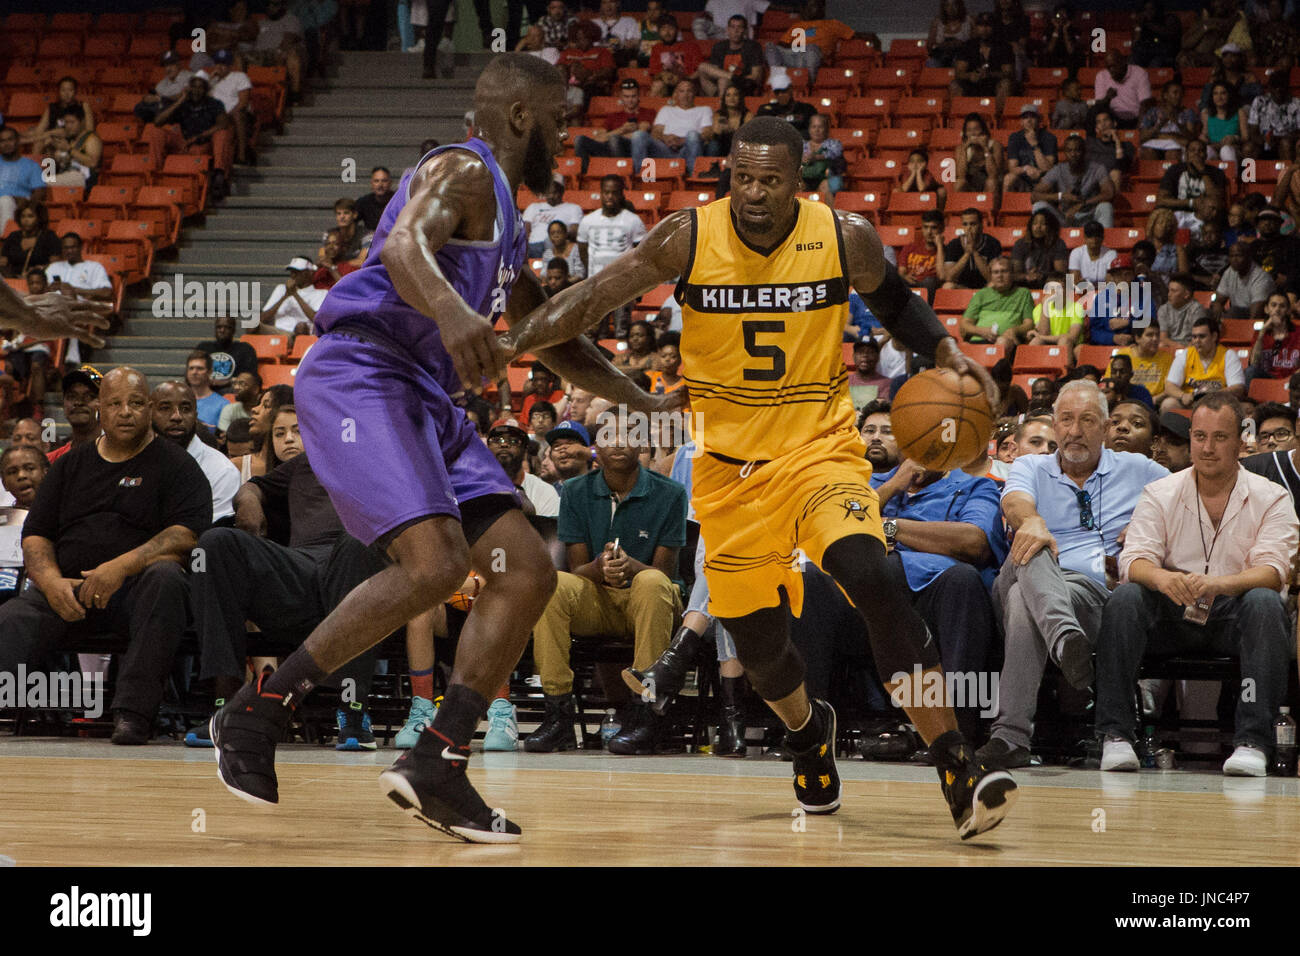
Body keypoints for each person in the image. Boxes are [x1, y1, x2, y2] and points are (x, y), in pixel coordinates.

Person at [502, 115, 1020, 839]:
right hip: (728, 471)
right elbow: (589, 302)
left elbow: (897, 300)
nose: (751, 192)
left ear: (798, 180)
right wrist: (513, 339)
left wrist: (944, 351)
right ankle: (810, 736)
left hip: (819, 451)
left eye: (769, 180)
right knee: (763, 650)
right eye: (741, 176)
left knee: (871, 574)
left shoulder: (844, 237)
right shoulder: (687, 236)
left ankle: (955, 762)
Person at [210, 55, 680, 842]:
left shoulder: (508, 220)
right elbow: (401, 249)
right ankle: (260, 711)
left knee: (525, 570)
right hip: (362, 369)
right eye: (559, 120)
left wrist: (637, 393)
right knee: (434, 565)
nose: (565, 139)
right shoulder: (462, 169)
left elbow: (551, 332)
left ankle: (440, 757)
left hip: (422, 394)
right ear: (524, 115)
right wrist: (457, 318)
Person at [0, 367, 211, 745]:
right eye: (114, 403)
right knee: (15, 614)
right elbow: (36, 534)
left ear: (148, 408)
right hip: (70, 590)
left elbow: (186, 535)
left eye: (134, 403)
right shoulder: (71, 465)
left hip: (137, 594)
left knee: (166, 579)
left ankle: (133, 715)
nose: (125, 412)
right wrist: (50, 583)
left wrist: (119, 567)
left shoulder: (176, 465)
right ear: (101, 409)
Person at [1096, 394, 1297, 776]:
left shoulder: (1271, 497)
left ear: (1241, 440)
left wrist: (1217, 584)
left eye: (1220, 437)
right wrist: (1164, 578)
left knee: (1265, 603)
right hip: (1172, 609)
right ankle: (1116, 736)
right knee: (1125, 599)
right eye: (1199, 436)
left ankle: (1253, 742)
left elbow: (1274, 572)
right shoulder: (1161, 492)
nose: (1207, 448)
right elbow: (1133, 560)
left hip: (1232, 615)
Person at [978, 381, 1170, 769]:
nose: (1074, 431)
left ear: (1104, 427)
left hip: (1094, 597)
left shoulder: (1140, 469)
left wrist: (1150, 525)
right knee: (1032, 545)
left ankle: (1011, 737)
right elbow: (1015, 502)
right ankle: (1065, 638)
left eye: (1086, 420)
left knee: (1023, 600)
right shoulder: (1031, 466)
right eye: (1065, 420)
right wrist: (1031, 522)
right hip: (1030, 568)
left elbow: (1189, 502)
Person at [525, 424, 687, 753]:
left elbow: (664, 573)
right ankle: (558, 716)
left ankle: (647, 713)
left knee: (652, 582)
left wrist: (631, 567)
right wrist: (601, 567)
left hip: (650, 602)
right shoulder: (574, 491)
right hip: (597, 601)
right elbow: (577, 569)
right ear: (597, 446)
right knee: (553, 585)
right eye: (608, 436)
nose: (617, 444)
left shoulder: (670, 493)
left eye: (628, 435)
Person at [871, 454, 1007, 739]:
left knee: (963, 579)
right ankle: (810, 728)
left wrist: (889, 526)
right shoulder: (871, 483)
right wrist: (893, 485)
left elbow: (972, 541)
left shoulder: (974, 486)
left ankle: (955, 731)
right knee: (813, 582)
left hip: (940, 589)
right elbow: (843, 525)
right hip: (874, 587)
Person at [151, 381, 242, 523]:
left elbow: (208, 536)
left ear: (195, 415)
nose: (177, 416)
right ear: (149, 413)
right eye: (165, 408)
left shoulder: (221, 471)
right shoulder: (133, 460)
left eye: (186, 409)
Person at [143, 75, 235, 203]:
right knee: (155, 131)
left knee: (223, 134)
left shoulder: (214, 103)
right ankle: (155, 173)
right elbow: (158, 122)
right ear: (188, 88)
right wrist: (180, 101)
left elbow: (223, 124)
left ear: (206, 90)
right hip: (184, 142)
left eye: (200, 88)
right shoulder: (183, 103)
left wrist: (199, 137)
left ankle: (219, 175)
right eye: (193, 87)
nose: (196, 91)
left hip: (204, 143)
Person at [1158, 315, 1246, 413]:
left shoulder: (1228, 355)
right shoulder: (1186, 354)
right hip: (1191, 403)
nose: (1197, 341)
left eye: (1202, 336)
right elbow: (1169, 386)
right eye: (1194, 337)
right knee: (1168, 404)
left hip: (1218, 403)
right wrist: (1182, 395)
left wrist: (1211, 395)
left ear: (1214, 336)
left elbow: (1238, 388)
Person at [1033, 134, 1115, 229]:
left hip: (1090, 218)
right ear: (1065, 153)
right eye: (1069, 151)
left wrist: (1083, 204)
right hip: (1066, 217)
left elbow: (1109, 193)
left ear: (1084, 152)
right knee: (1039, 205)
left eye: (1077, 150)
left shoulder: (1097, 168)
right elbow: (1034, 196)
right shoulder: (1058, 170)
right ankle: (1047, 242)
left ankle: (1105, 241)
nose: (1073, 154)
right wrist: (1060, 196)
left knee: (1106, 206)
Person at [572, 79, 655, 173]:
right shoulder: (613, 116)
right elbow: (598, 138)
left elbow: (642, 136)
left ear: (639, 96)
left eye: (633, 96)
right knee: (579, 139)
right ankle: (585, 175)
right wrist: (622, 130)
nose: (630, 100)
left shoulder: (648, 113)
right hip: (610, 151)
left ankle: (623, 173)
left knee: (614, 139)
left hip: (632, 151)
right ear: (621, 97)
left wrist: (614, 136)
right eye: (626, 97)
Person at [764, 0, 855, 83]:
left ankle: (809, 81)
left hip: (814, 57)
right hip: (794, 56)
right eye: (807, 6)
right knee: (770, 47)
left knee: (811, 48)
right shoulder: (797, 25)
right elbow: (782, 45)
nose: (809, 9)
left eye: (813, 6)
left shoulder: (833, 24)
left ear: (822, 8)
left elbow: (854, 35)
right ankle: (776, 78)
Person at [636, 79, 713, 174]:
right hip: (665, 148)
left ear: (694, 93)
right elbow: (656, 132)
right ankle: (638, 176)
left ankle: (695, 176)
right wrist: (666, 138)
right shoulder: (666, 110)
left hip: (687, 148)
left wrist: (682, 140)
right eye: (682, 91)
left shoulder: (704, 110)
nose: (685, 95)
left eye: (689, 91)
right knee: (639, 135)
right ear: (676, 93)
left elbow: (707, 133)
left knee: (692, 135)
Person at [960, 256, 1034, 351]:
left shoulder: (1023, 293)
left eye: (1004, 271)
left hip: (1006, 341)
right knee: (961, 347)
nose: (1000, 275)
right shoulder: (981, 294)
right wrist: (982, 331)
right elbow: (965, 324)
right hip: (978, 340)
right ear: (991, 276)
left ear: (1012, 274)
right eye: (996, 272)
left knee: (1002, 342)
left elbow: (1029, 323)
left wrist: (1014, 330)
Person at [949, 12, 1015, 113]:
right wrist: (970, 75)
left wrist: (989, 74)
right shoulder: (968, 46)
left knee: (1005, 84)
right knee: (955, 85)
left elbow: (1009, 73)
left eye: (988, 25)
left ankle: (997, 120)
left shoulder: (1004, 47)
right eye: (981, 25)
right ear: (976, 27)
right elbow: (959, 73)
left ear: (994, 27)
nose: (984, 29)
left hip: (993, 83)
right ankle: (960, 119)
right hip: (973, 84)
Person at [258, 256, 329, 336]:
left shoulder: (321, 293)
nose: (293, 275)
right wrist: (285, 296)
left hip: (303, 334)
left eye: (297, 272)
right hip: (279, 332)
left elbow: (316, 319)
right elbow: (262, 319)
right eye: (291, 272)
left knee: (301, 327)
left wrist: (295, 294)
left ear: (310, 273)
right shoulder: (281, 289)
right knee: (252, 325)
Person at [47, 365, 102, 463]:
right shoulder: (53, 461)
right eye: (71, 396)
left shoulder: (119, 455)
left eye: (89, 396)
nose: (78, 402)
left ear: (104, 403)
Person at [699, 14, 765, 96]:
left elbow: (756, 77)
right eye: (732, 27)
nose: (736, 31)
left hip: (744, 86)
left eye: (739, 27)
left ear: (744, 30)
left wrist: (740, 80)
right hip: (722, 85)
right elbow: (714, 73)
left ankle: (721, 106)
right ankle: (731, 80)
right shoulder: (719, 47)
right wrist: (731, 78)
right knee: (702, 67)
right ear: (727, 30)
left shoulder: (753, 46)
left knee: (723, 81)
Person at [942, 207, 1001, 289]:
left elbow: (991, 277)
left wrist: (974, 252)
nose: (969, 228)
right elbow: (949, 277)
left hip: (984, 287)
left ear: (981, 225)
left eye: (973, 224)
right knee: (948, 286)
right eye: (965, 224)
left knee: (994, 284)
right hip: (962, 287)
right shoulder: (954, 244)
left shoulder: (992, 243)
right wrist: (967, 253)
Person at [1247, 291, 1300, 384]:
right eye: (1273, 305)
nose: (1277, 309)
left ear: (1288, 311)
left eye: (1282, 306)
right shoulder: (1260, 334)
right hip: (1267, 379)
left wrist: (1291, 380)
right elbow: (1254, 363)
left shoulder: (1298, 332)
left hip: (1292, 380)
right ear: (1266, 309)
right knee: (1250, 371)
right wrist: (1262, 333)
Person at [1212, 241, 1275, 320]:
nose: (1234, 259)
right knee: (1207, 313)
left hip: (1257, 318)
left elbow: (1256, 315)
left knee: (1233, 312)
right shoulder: (1230, 272)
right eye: (1231, 256)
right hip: (1236, 313)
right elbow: (1218, 299)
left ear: (1249, 257)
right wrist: (1217, 305)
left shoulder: (1261, 277)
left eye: (1239, 255)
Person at [521, 178, 583, 257]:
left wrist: (556, 237)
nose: (551, 196)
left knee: (549, 242)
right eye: (548, 193)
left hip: (558, 246)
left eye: (554, 193)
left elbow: (574, 231)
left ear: (562, 192)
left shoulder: (573, 208)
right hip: (534, 246)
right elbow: (524, 230)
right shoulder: (533, 207)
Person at [1004, 104, 1057, 194]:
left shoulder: (1049, 138)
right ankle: (1008, 206)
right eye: (1025, 118)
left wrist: (1034, 145)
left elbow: (1048, 168)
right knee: (1009, 178)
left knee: (1047, 181)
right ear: (1021, 122)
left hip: (1043, 178)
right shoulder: (1015, 137)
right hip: (1023, 179)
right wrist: (1026, 168)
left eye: (1032, 117)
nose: (1029, 120)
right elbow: (1012, 168)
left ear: (1039, 120)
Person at [0, 199, 60, 279]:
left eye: (30, 216)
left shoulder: (49, 236)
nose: (26, 220)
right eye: (23, 216)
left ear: (39, 218)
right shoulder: (13, 236)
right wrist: (13, 279)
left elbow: (55, 264)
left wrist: (40, 269)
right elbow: (3, 263)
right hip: (13, 280)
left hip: (39, 280)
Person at [197, 316, 259, 391]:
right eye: (219, 327)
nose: (222, 330)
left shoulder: (244, 350)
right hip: (205, 389)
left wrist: (225, 382)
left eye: (227, 327)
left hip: (232, 390)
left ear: (233, 330)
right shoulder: (203, 348)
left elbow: (250, 378)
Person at [1094, 49, 1151, 129]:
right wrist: (1107, 98)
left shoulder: (1139, 73)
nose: (1111, 70)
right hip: (1113, 119)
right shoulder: (1102, 76)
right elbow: (1098, 106)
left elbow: (1145, 103)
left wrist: (1139, 127)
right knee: (1093, 111)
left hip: (1136, 117)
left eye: (1114, 66)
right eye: (1108, 67)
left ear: (1123, 62)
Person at [1011, 211, 1068, 288]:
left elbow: (1060, 273)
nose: (1038, 226)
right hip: (1024, 285)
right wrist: (1026, 276)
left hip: (1049, 285)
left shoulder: (1058, 244)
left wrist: (1041, 275)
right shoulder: (1020, 244)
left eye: (1043, 224)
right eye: (1034, 223)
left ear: (1050, 227)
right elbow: (1015, 273)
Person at [898, 209, 945, 302]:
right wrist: (905, 276)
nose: (929, 232)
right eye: (925, 227)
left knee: (929, 282)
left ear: (942, 229)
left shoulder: (945, 251)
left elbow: (941, 276)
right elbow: (901, 271)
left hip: (929, 287)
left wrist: (939, 246)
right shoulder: (910, 247)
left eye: (934, 228)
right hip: (910, 284)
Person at [954, 112, 1005, 195]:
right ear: (965, 133)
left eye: (976, 129)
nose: (973, 133)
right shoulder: (961, 148)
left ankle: (989, 207)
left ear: (983, 131)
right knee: (959, 183)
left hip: (990, 184)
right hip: (971, 185)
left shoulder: (995, 145)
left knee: (991, 182)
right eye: (969, 130)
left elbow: (993, 174)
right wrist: (964, 150)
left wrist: (985, 148)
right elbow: (960, 175)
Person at [1201, 82, 1249, 165]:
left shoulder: (1239, 112)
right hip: (1214, 147)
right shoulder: (1206, 114)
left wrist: (1235, 138)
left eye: (1223, 93)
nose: (1219, 97)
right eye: (1215, 93)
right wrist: (1203, 138)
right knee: (1207, 150)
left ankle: (1232, 177)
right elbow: (1205, 134)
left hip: (1232, 148)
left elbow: (1245, 137)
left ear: (1229, 95)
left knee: (1226, 150)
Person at [1156, 272, 1208, 347]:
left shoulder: (1197, 309)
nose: (1169, 294)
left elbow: (1198, 336)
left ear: (1186, 294)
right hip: (1173, 345)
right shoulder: (1163, 309)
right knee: (1161, 345)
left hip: (1191, 345)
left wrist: (1185, 351)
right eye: (1169, 290)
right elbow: (1163, 337)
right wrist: (1179, 347)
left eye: (1173, 291)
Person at [185, 350, 230, 429]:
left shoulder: (223, 405)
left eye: (200, 368)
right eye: (191, 368)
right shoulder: (178, 400)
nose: (194, 372)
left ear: (209, 372)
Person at [800, 114, 843, 197]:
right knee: (796, 186)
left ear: (826, 130)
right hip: (805, 178)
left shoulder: (834, 143)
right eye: (814, 127)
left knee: (826, 187)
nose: (817, 130)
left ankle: (828, 209)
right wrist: (802, 159)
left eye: (820, 127)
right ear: (809, 129)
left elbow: (835, 154)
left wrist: (816, 157)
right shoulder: (802, 145)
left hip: (825, 178)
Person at [709, 82, 752, 158]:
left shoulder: (748, 115)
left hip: (740, 148)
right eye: (728, 95)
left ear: (740, 98)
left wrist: (730, 130)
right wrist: (720, 128)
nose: (732, 98)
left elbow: (747, 136)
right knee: (713, 144)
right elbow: (715, 133)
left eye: (735, 95)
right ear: (724, 99)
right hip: (721, 148)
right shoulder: (719, 114)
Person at [1067, 221, 1116, 286]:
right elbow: (1075, 282)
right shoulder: (1076, 253)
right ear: (1084, 237)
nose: (1094, 239)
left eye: (1097, 236)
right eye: (1090, 236)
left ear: (1103, 237)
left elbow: (1110, 282)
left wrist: (1087, 284)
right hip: (1082, 293)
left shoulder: (1111, 254)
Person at [927, 0, 972, 68]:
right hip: (941, 55)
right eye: (947, 5)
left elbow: (975, 42)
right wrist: (943, 45)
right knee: (931, 63)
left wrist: (960, 44)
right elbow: (930, 46)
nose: (951, 8)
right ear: (944, 8)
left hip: (962, 56)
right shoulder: (937, 22)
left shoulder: (969, 21)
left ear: (960, 6)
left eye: (954, 5)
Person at [217, 370, 262, 438]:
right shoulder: (229, 409)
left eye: (242, 384)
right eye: (235, 383)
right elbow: (224, 437)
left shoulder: (266, 410)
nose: (236, 387)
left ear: (255, 389)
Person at [354, 167, 395, 232]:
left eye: (384, 181)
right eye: (376, 181)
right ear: (371, 183)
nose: (380, 185)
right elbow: (351, 222)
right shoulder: (363, 202)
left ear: (390, 183)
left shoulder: (398, 200)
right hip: (371, 239)